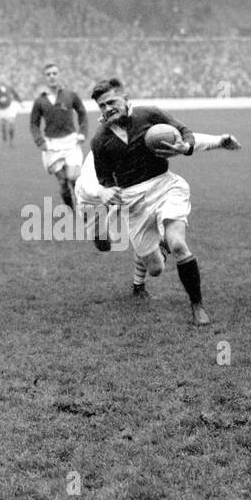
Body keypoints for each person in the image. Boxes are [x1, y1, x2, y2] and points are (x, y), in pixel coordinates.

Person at [88, 77, 240, 326]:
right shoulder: (100, 141)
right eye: (102, 106)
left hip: (166, 187)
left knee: (179, 244)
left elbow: (186, 133)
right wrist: (105, 192)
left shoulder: (150, 115)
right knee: (155, 269)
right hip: (133, 202)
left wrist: (185, 146)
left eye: (111, 102)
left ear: (126, 100)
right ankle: (161, 247)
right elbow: (104, 180)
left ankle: (197, 306)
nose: (107, 108)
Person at [29, 63, 88, 211]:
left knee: (74, 179)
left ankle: (82, 209)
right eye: (48, 74)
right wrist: (40, 141)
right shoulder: (40, 101)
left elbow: (82, 113)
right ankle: (71, 211)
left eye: (54, 73)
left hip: (70, 143)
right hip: (52, 145)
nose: (52, 76)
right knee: (62, 182)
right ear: (45, 78)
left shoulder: (70, 95)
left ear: (59, 75)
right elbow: (33, 124)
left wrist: (82, 132)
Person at [0, 81, 21, 146]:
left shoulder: (9, 88)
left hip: (9, 108)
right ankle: (4, 134)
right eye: (1, 79)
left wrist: (20, 102)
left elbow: (16, 95)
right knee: (3, 125)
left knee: (11, 123)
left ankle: (11, 141)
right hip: (0, 110)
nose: (3, 80)